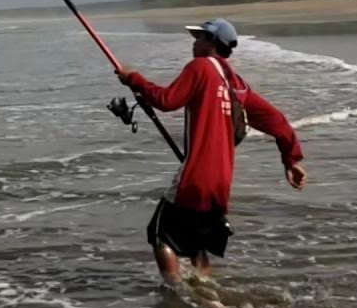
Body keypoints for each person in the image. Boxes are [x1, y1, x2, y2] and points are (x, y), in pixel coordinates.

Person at [114, 18, 307, 284]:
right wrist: (291, 159)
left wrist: (133, 79)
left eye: (201, 37)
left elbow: (166, 100)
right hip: (221, 183)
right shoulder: (237, 84)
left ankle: (175, 295)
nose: (195, 42)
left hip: (196, 177)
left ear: (213, 42)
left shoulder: (201, 67)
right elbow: (277, 121)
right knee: (196, 243)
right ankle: (208, 293)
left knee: (160, 235)